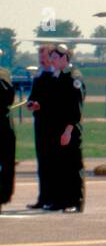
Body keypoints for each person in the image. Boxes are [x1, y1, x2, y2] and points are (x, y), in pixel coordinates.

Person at [45, 45, 85, 213]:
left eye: (54, 57)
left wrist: (68, 130)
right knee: (59, 166)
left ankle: (77, 201)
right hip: (58, 128)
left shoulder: (74, 77)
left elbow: (76, 107)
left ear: (64, 58)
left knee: (73, 166)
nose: (51, 61)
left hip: (70, 129)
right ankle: (61, 200)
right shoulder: (60, 77)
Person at [24, 44, 56, 210]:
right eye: (40, 58)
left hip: (53, 124)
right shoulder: (39, 76)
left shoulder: (56, 77)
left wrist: (41, 105)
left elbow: (57, 101)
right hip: (40, 124)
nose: (42, 60)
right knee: (42, 162)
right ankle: (43, 197)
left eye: (44, 57)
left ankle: (54, 198)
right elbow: (33, 96)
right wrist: (31, 103)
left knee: (53, 162)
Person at [0, 68, 15, 212]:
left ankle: (3, 195)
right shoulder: (5, 74)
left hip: (2, 125)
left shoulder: (3, 75)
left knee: (6, 163)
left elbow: (8, 97)